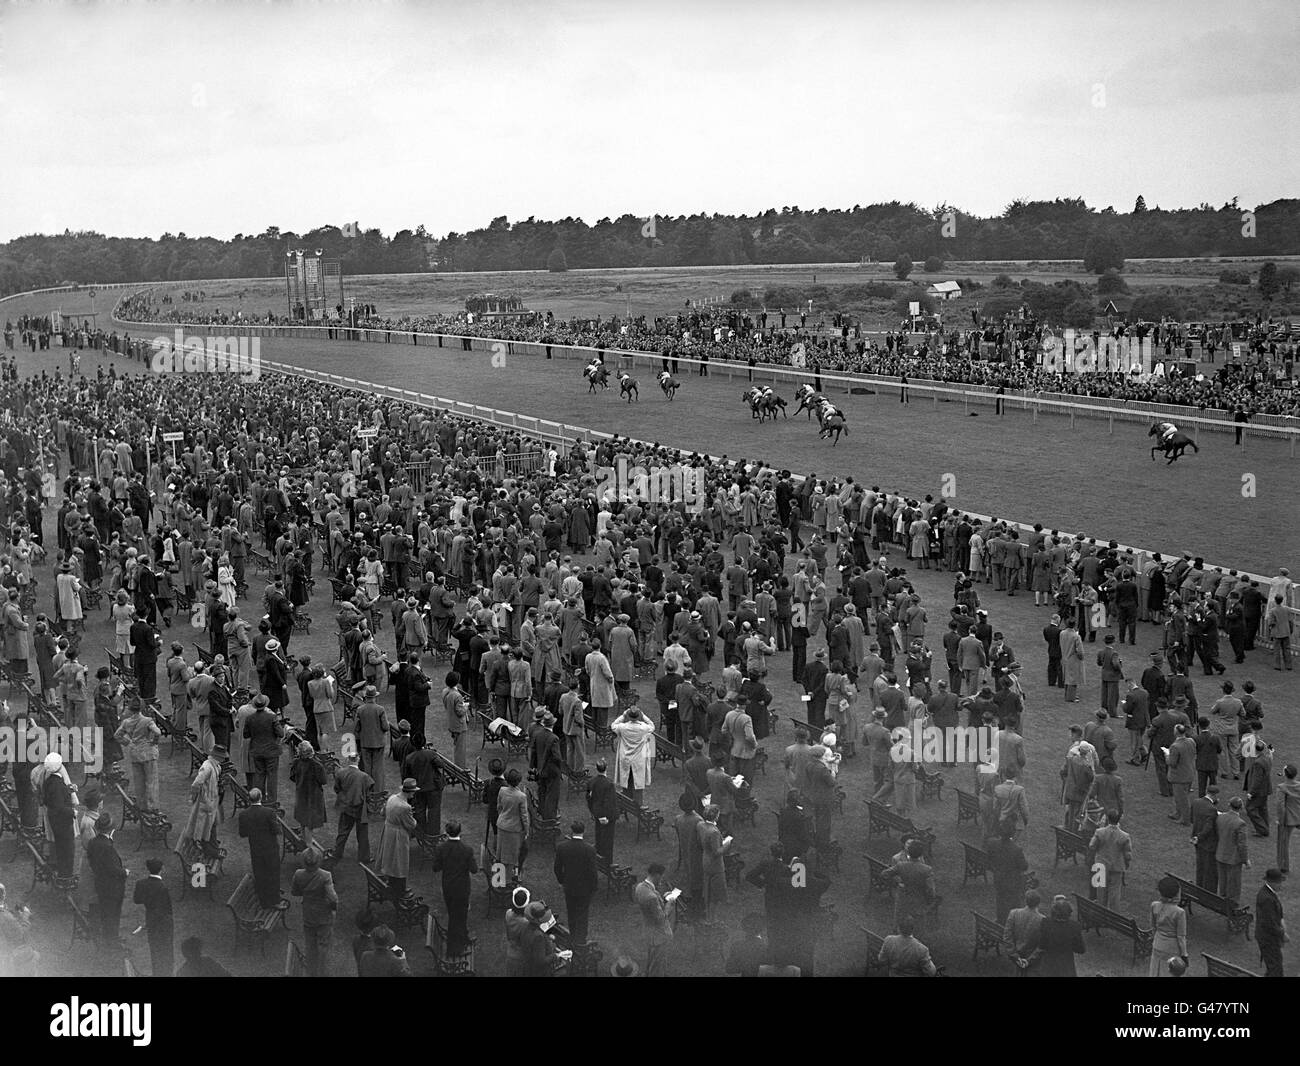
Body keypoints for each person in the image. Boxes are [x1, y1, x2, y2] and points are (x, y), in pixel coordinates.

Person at [290, 847, 338, 977]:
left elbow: (295, 892)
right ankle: (323, 972)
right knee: (324, 946)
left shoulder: (298, 874)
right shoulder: (325, 876)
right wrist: (333, 909)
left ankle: (311, 972)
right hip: (324, 915)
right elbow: (333, 897)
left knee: (310, 945)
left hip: (308, 913)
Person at [432, 820, 479, 954]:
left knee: (456, 915)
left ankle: (464, 937)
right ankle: (454, 949)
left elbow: (436, 868)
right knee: (457, 917)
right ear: (460, 832)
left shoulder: (441, 848)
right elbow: (474, 870)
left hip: (448, 886)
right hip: (462, 888)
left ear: (447, 832)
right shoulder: (467, 850)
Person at [553, 820, 599, 944]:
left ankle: (573, 935)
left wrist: (562, 880)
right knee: (583, 914)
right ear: (583, 832)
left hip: (569, 886)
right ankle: (581, 939)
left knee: (571, 911)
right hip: (585, 888)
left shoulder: (562, 847)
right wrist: (594, 887)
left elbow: (557, 868)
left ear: (572, 831)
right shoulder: (589, 849)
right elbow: (592, 872)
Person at [238, 788, 284, 910]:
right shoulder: (269, 812)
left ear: (249, 799)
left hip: (255, 847)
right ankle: (274, 900)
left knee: (260, 873)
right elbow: (277, 831)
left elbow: (242, 833)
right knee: (273, 873)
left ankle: (263, 900)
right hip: (270, 848)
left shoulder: (243, 814)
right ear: (261, 797)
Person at [86, 812, 127, 945]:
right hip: (112, 887)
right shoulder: (108, 847)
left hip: (100, 883)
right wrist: (124, 872)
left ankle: (110, 937)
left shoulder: (93, 843)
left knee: (106, 912)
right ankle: (112, 940)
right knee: (113, 914)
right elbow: (113, 869)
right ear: (111, 830)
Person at [327, 752, 373, 867]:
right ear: (358, 760)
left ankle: (337, 853)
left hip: (345, 807)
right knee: (362, 834)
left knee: (343, 832)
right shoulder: (364, 776)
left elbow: (337, 789)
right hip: (360, 808)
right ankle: (364, 857)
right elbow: (369, 792)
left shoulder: (340, 773)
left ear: (348, 760)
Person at [1022, 896, 1086, 977]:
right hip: (1066, 966)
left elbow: (1042, 945)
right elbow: (1081, 949)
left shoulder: (1046, 923)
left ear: (1054, 911)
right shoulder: (1075, 926)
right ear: (1069, 912)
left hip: (1049, 965)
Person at [377, 779, 419, 899]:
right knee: (400, 860)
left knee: (390, 857)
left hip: (388, 830)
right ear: (410, 792)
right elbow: (411, 824)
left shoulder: (392, 798)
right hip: (398, 834)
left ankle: (392, 882)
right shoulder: (405, 807)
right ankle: (400, 889)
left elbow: (382, 812)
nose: (414, 794)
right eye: (413, 792)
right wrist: (412, 817)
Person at [132, 857, 174, 977]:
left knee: (154, 950)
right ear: (161, 870)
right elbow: (167, 909)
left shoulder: (141, 884)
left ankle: (156, 973)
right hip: (163, 923)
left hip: (150, 919)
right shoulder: (162, 887)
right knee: (166, 951)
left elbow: (137, 899)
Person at [633, 862, 674, 976]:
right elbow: (661, 918)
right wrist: (669, 905)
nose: (661, 879)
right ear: (656, 875)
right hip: (659, 936)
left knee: (651, 963)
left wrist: (663, 899)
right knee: (658, 967)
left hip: (648, 931)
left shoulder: (640, 887)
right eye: (661, 876)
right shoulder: (652, 897)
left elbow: (652, 909)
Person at [1089, 809, 1132, 911]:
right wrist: (1127, 864)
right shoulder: (1125, 836)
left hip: (1101, 864)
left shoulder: (1100, 832)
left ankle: (1101, 912)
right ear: (1118, 820)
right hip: (1117, 866)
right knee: (1115, 893)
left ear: (1107, 819)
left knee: (1101, 892)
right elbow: (1128, 854)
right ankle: (1113, 914)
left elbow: (1092, 846)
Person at [1149, 875, 1189, 977]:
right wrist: (1184, 955)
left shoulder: (1154, 905)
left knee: (1155, 971)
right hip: (1172, 948)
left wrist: (1156, 939)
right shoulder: (1179, 912)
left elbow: (1153, 927)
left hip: (1157, 944)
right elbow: (1181, 937)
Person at [495, 769, 530, 880]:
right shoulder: (521, 796)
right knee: (511, 856)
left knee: (500, 854)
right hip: (513, 829)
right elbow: (524, 816)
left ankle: (498, 881)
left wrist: (503, 817)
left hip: (502, 825)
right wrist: (526, 830)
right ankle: (508, 882)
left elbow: (499, 807)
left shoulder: (502, 790)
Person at [1215, 795, 1251, 904]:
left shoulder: (1220, 817)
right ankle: (1232, 905)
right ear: (1241, 807)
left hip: (1220, 854)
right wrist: (1246, 860)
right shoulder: (1240, 823)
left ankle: (1222, 900)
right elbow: (1242, 845)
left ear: (1229, 805)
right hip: (1233, 858)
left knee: (1223, 881)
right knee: (1234, 884)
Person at [1255, 868, 1287, 977]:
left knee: (1274, 966)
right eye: (1279, 882)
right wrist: (1282, 934)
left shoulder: (1267, 893)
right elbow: (1270, 923)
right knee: (1275, 968)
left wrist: (1281, 920)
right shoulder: (1267, 899)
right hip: (1268, 938)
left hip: (1267, 937)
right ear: (1272, 882)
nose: (1281, 885)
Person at [585, 760, 617, 865]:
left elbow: (588, 798)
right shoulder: (609, 784)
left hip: (597, 814)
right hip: (606, 817)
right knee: (608, 840)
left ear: (596, 768)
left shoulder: (591, 782)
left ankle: (598, 857)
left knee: (598, 835)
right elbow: (609, 802)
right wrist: (607, 817)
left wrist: (593, 812)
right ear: (606, 768)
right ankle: (608, 863)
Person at [1190, 785, 1221, 891]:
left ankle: (1199, 887)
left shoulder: (1196, 802)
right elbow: (1208, 827)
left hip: (1197, 840)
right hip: (1208, 843)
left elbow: (1191, 819)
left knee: (1200, 866)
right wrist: (1200, 837)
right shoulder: (1212, 809)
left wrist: (1196, 837)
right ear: (1215, 795)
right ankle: (1208, 892)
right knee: (1210, 870)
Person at [1276, 765, 1300, 873]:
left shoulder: (1282, 787)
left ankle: (1283, 866)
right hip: (1297, 816)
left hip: (1287, 819)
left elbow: (1280, 806)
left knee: (1282, 843)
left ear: (1285, 774)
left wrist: (1280, 820)